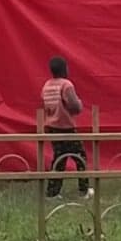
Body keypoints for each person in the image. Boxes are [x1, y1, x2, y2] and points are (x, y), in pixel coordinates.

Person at [41, 57, 91, 200]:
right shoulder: (66, 85)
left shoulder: (47, 85)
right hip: (65, 126)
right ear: (64, 69)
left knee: (59, 158)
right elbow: (74, 105)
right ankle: (84, 190)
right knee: (80, 157)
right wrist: (80, 104)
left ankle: (52, 192)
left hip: (52, 126)